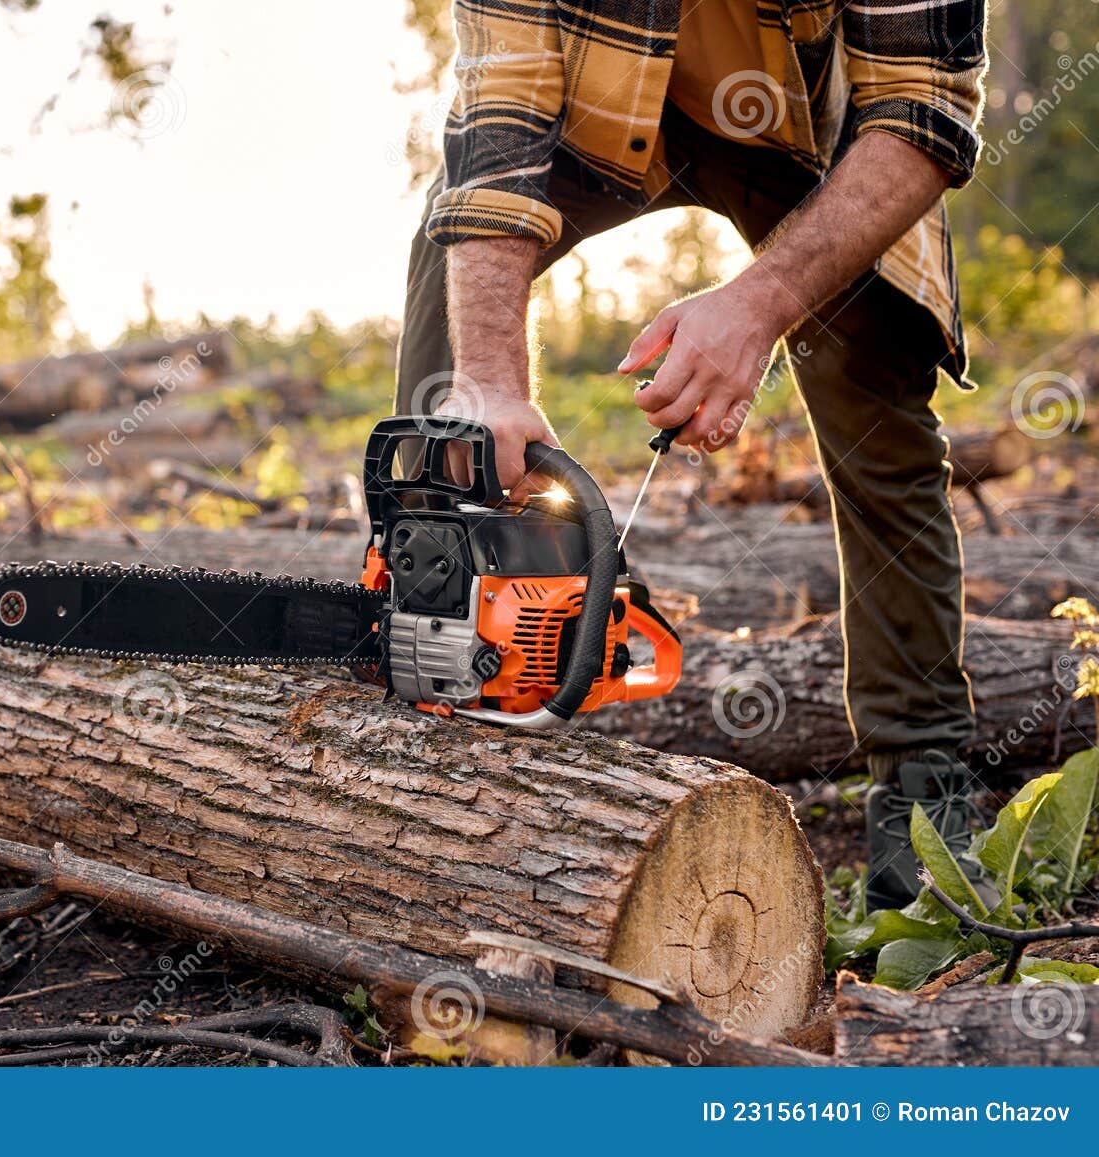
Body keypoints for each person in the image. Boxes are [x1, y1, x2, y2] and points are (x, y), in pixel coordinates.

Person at [396, 0, 989, 908]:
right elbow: (501, 107)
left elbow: (922, 106)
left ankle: (924, 800)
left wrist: (758, 307)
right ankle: (435, 687)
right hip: (601, 101)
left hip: (824, 131)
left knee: (877, 399)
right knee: (452, 279)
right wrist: (487, 378)